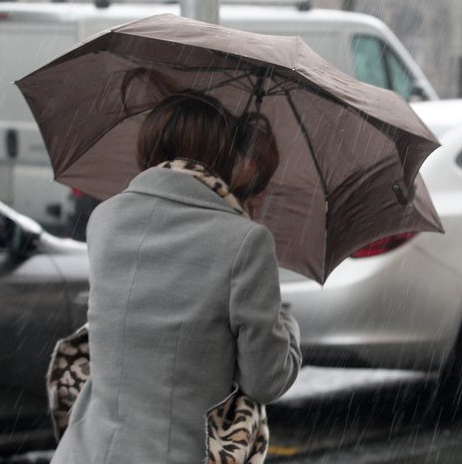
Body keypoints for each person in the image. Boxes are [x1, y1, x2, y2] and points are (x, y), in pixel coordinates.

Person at [51, 91, 301, 464]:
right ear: (224, 156)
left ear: (150, 147)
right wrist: (286, 323)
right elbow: (266, 380)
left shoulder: (105, 219)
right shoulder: (245, 241)